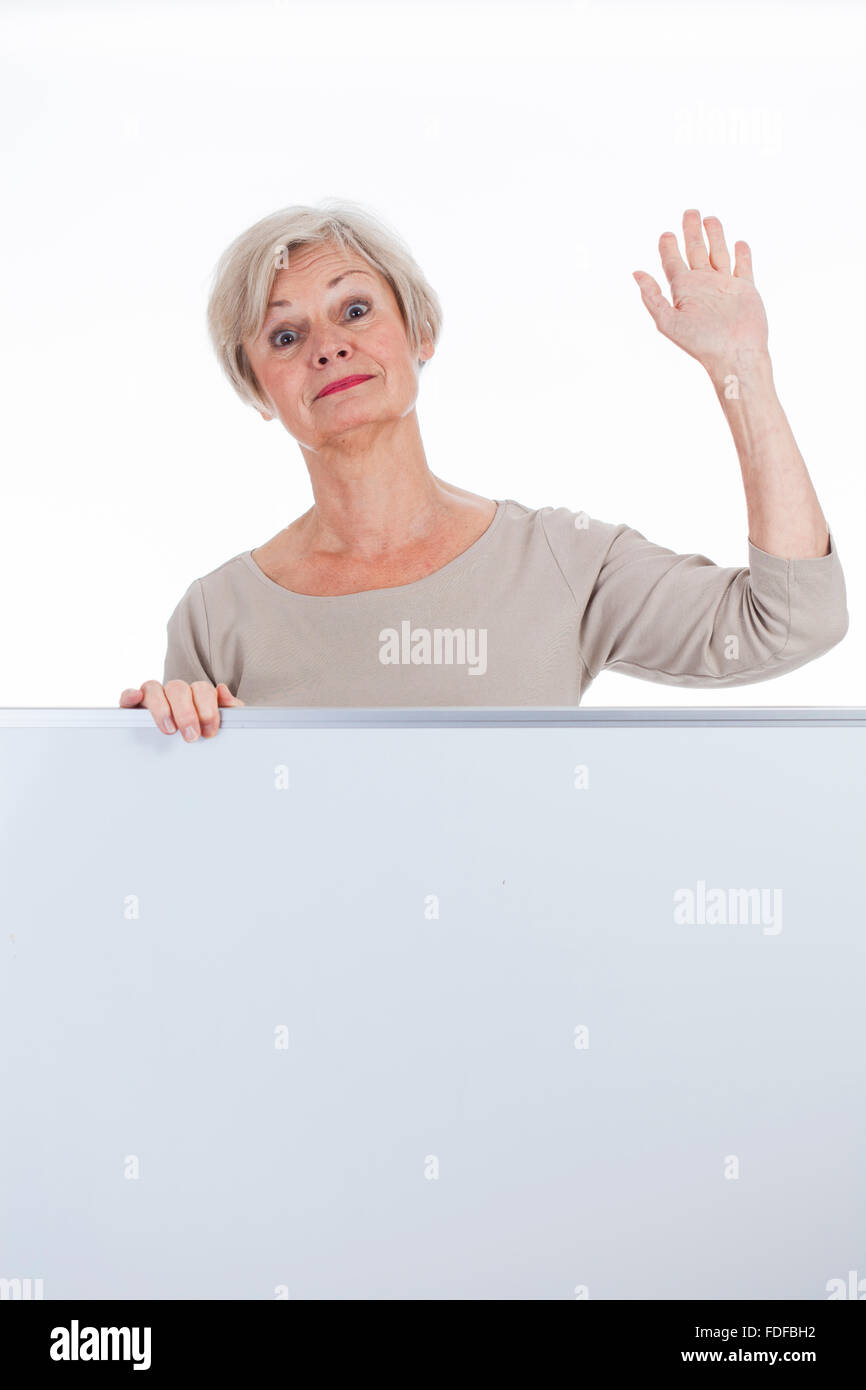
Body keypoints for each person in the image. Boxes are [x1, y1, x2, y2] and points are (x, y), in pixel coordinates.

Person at [120, 199, 848, 740]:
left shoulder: (560, 561)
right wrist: (142, 752)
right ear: (258, 392)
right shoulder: (217, 617)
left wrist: (743, 368)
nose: (328, 347)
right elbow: (199, 856)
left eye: (355, 310)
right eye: (286, 334)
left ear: (421, 333)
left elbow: (793, 622)